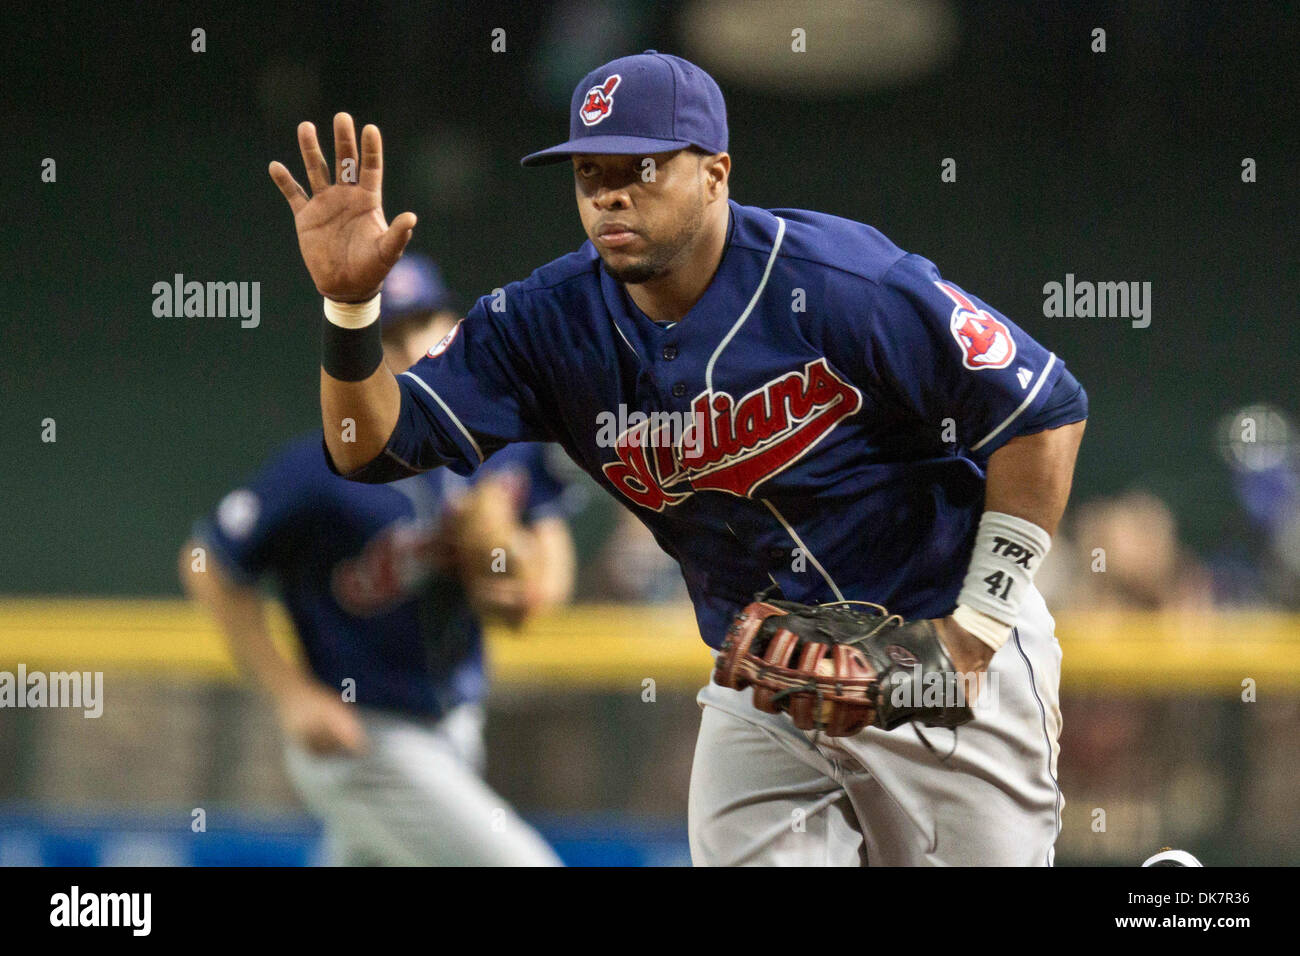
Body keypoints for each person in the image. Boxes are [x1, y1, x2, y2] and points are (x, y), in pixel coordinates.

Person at [268, 51, 1088, 866]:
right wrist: (349, 309)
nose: (610, 193)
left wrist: (974, 633)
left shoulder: (842, 281)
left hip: (932, 650)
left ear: (716, 173)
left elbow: (1045, 409)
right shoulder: (546, 325)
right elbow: (364, 446)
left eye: (643, 167)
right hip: (765, 680)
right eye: (590, 171)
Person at [180, 254, 574, 866]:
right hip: (366, 738)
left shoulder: (497, 442)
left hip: (457, 727)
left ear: (450, 323)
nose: (413, 345)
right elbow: (207, 561)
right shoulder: (318, 469)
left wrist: (534, 583)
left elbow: (548, 540)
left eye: (425, 322)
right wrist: (291, 694)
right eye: (387, 336)